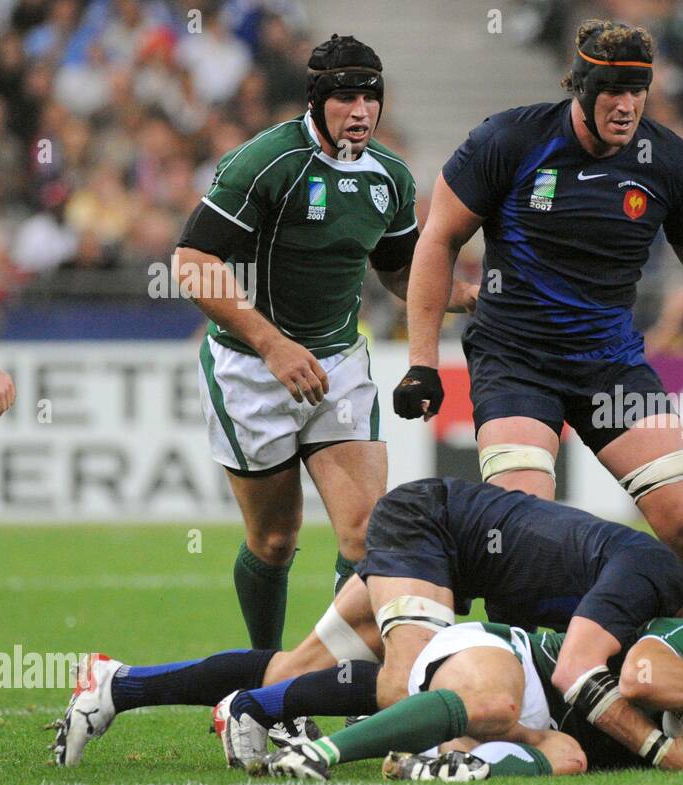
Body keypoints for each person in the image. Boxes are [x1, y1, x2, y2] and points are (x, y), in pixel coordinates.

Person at [391, 19, 683, 576]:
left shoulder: (668, 163)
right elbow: (438, 240)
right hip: (516, 362)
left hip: (609, 367)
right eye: (612, 91)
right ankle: (528, 656)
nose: (626, 106)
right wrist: (422, 363)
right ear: (581, 88)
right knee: (521, 528)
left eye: (637, 92)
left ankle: (662, 654)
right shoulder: (509, 141)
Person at [53, 478, 683, 774]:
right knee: (406, 686)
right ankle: (300, 737)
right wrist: (660, 748)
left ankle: (119, 685)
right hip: (431, 530)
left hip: (446, 556)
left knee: (291, 672)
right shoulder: (656, 573)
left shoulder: (657, 607)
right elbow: (576, 674)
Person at [173, 34, 477, 651]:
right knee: (275, 540)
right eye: (345, 96)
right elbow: (191, 259)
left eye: (371, 96)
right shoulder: (264, 162)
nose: (361, 110)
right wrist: (272, 345)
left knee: (367, 536)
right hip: (249, 368)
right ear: (317, 99)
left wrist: (473, 295)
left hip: (339, 362)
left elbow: (400, 272)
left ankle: (332, 682)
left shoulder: (389, 176)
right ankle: (262, 680)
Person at [382, 630, 683, 782]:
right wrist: (664, 750)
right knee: (499, 707)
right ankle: (332, 747)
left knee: (570, 758)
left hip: (543, 727)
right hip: (508, 659)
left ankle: (435, 763)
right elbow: (638, 678)